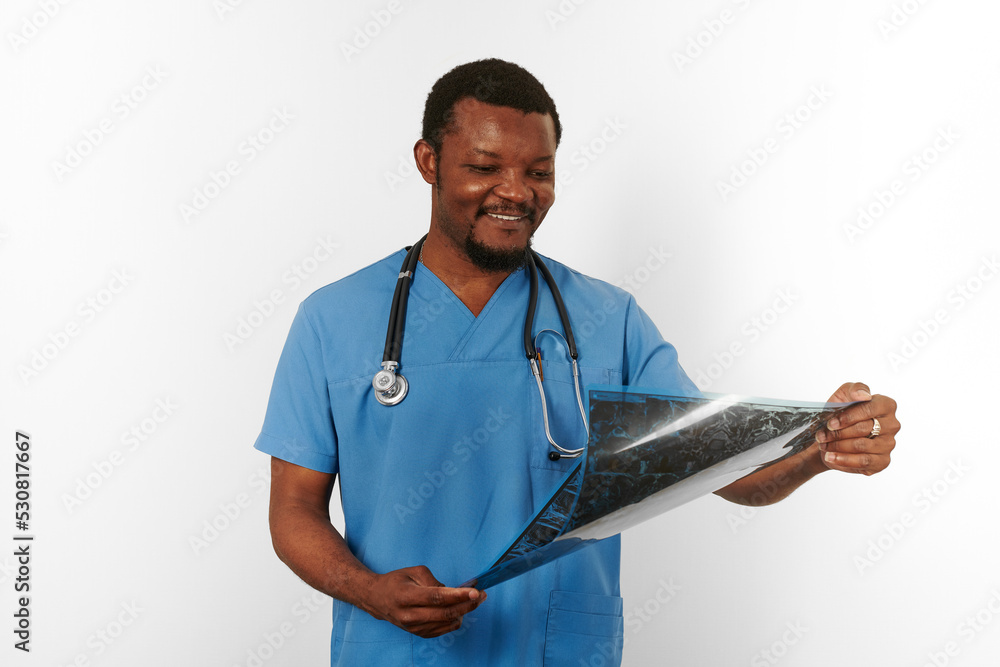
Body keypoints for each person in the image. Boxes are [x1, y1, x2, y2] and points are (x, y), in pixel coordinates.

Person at [254, 58, 900, 666]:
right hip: (395, 648)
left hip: (557, 646)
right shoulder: (334, 317)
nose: (516, 192)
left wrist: (820, 446)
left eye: (539, 171)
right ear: (429, 161)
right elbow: (293, 511)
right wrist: (366, 589)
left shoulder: (608, 318)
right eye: (485, 166)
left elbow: (729, 474)